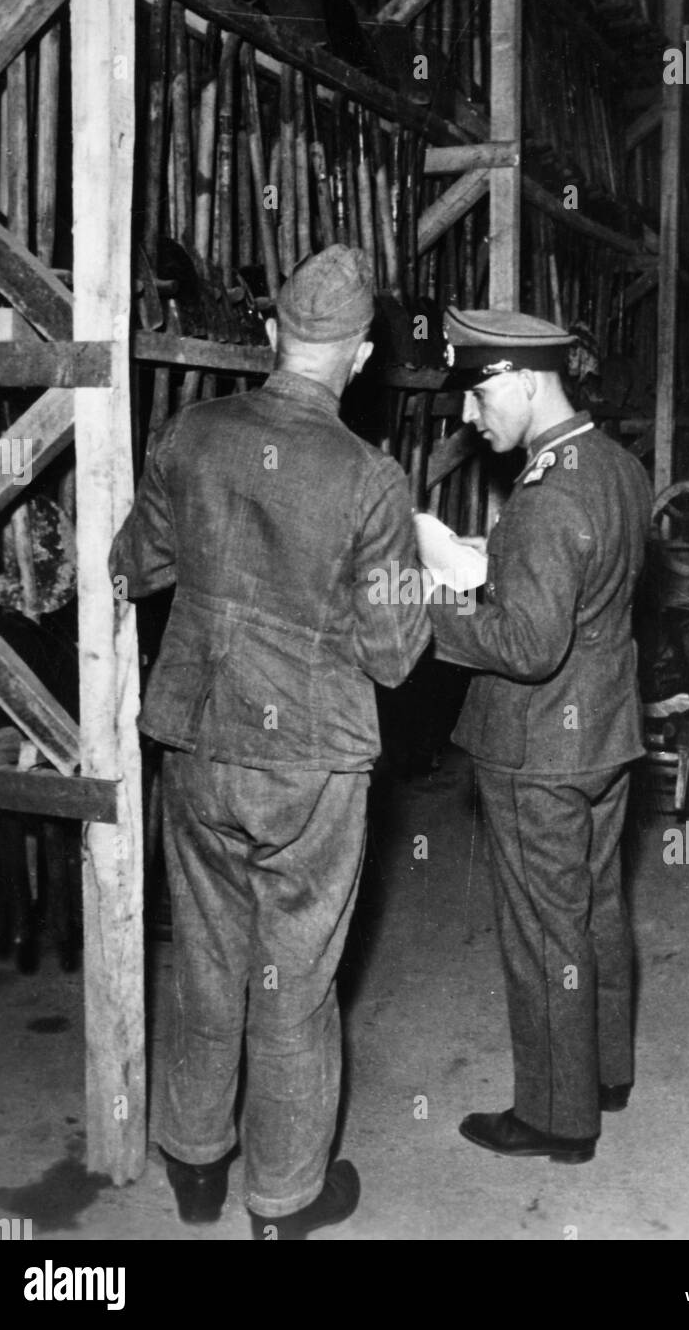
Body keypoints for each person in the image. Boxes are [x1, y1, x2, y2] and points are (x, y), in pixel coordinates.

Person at [110, 246, 430, 1239]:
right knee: (292, 979)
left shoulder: (189, 433)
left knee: (206, 958)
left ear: (269, 335)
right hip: (307, 766)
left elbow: (136, 566)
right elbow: (393, 655)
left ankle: (194, 1167)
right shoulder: (369, 479)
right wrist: (424, 562)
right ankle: (285, 1200)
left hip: (196, 740)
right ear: (364, 354)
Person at [427, 305, 652, 1164]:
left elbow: (525, 645)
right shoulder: (615, 465)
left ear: (523, 378)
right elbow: (578, 591)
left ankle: (558, 1117)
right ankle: (605, 1072)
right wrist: (496, 564)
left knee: (543, 933)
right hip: (601, 732)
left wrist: (429, 609)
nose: (470, 418)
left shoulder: (550, 492)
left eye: (479, 397)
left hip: (535, 749)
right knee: (594, 908)